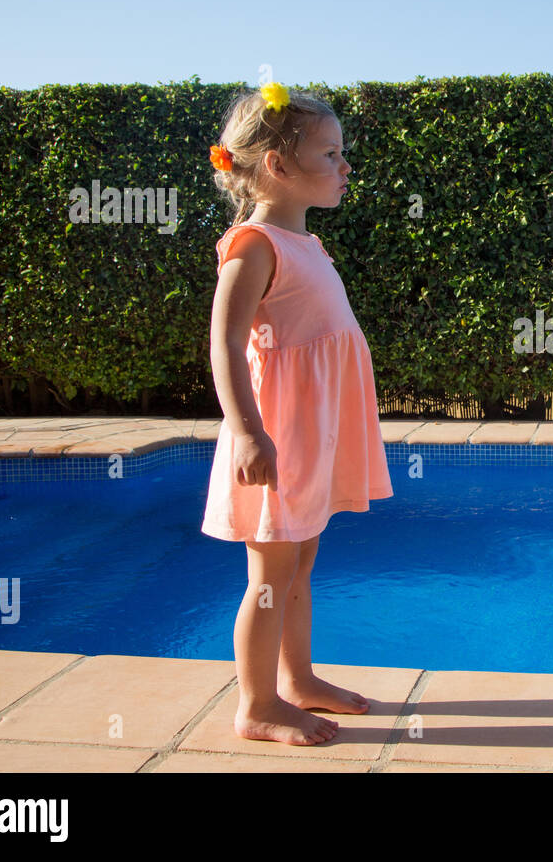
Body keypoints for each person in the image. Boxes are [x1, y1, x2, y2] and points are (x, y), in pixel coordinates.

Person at [200, 81, 393, 745]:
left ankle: (299, 679)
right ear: (279, 167)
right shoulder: (253, 245)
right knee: (269, 575)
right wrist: (250, 434)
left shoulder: (304, 242)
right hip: (278, 434)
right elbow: (225, 344)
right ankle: (256, 704)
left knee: (302, 561)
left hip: (314, 432)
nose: (346, 167)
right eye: (332, 154)